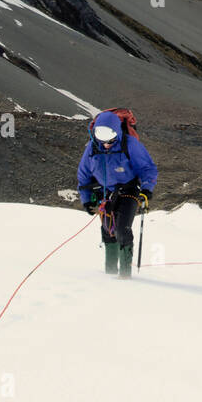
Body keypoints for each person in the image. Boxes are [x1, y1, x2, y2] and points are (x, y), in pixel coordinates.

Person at [77, 110, 158, 278]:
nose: (106, 143)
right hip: (105, 193)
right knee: (108, 230)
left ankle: (125, 276)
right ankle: (109, 274)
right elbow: (83, 175)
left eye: (110, 137)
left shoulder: (130, 145)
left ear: (117, 132)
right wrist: (86, 201)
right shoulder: (92, 148)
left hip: (128, 190)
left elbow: (147, 168)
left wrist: (147, 190)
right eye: (101, 137)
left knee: (122, 230)